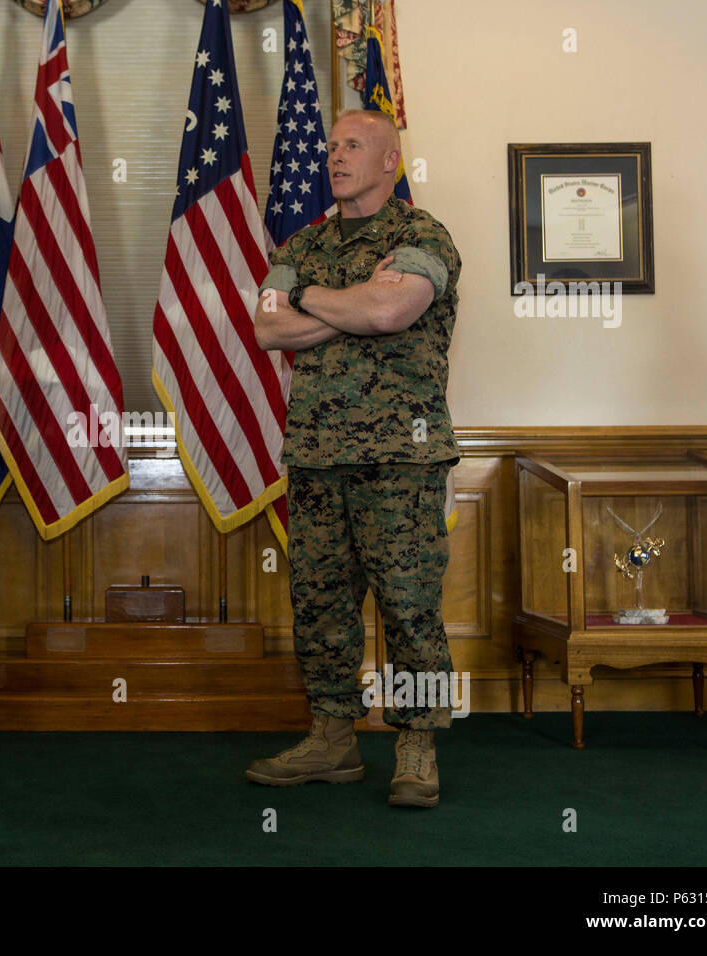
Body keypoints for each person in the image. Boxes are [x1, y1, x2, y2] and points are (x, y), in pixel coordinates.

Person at [248, 108, 461, 808]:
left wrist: (318, 304)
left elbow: (389, 315)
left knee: (408, 607)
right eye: (333, 145)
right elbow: (268, 325)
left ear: (390, 161)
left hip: (403, 457)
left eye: (354, 146)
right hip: (315, 455)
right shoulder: (303, 242)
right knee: (319, 605)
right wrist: (342, 298)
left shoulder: (420, 234)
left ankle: (417, 744)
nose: (337, 157)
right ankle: (332, 738)